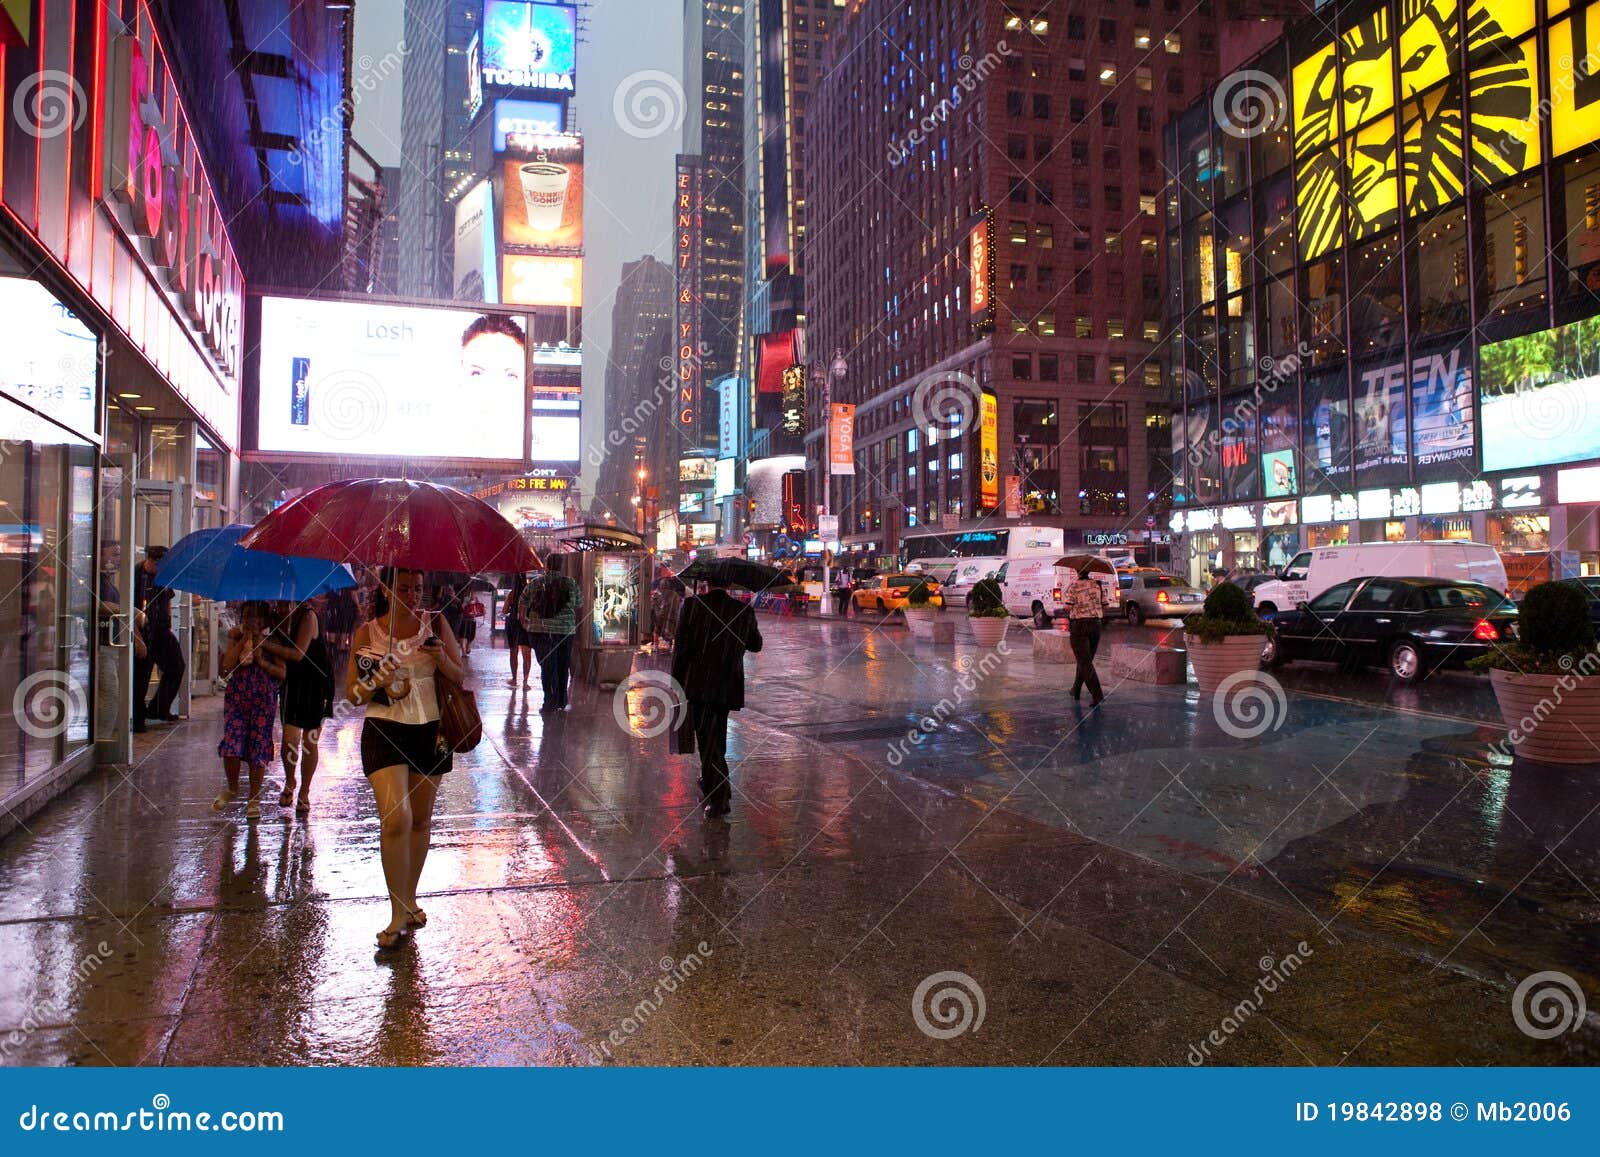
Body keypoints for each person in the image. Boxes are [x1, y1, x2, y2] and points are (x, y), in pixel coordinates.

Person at [347, 567, 465, 950]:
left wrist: (440, 656)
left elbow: (459, 675)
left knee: (421, 819)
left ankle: (410, 899)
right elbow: (353, 693)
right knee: (397, 819)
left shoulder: (436, 624)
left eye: (418, 587)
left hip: (431, 730)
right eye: (405, 588)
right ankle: (397, 912)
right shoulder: (368, 632)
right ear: (386, 588)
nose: (413, 595)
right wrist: (376, 680)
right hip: (384, 729)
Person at [671, 577, 764, 818]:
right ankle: (713, 784)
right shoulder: (742, 610)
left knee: (708, 742)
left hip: (699, 685)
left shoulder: (692, 607)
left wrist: (676, 684)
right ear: (729, 584)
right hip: (727, 686)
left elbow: (680, 649)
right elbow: (756, 645)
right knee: (716, 738)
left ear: (706, 584)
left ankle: (719, 797)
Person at [215, 601, 287, 820]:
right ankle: (233, 787)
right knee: (232, 744)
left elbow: (282, 674)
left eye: (256, 618)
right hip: (237, 699)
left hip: (263, 700)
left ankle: (254, 799)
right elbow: (225, 667)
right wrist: (242, 641)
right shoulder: (235, 638)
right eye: (247, 617)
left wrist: (261, 658)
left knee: (258, 746)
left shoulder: (271, 641)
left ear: (264, 620)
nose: (251, 622)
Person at [264, 598, 334, 815]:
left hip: (316, 683)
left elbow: (297, 653)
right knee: (289, 739)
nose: (283, 606)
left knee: (309, 742)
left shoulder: (308, 616)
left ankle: (304, 791)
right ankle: (290, 780)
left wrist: (264, 643)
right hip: (292, 683)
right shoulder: (278, 617)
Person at [519, 554, 583, 712]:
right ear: (561, 566)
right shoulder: (570, 583)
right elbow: (579, 603)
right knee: (563, 665)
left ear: (546, 565)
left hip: (541, 631)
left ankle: (549, 701)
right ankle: (561, 700)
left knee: (548, 666)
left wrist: (524, 621)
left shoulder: (536, 583)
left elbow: (523, 602)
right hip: (565, 631)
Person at [133, 545, 186, 731]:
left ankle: (158, 709)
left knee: (177, 666)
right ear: (151, 560)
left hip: (162, 631)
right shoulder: (136, 576)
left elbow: (168, 600)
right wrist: (137, 635)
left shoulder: (164, 576)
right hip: (144, 632)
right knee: (141, 677)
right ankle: (138, 719)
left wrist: (168, 622)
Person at [1066, 565, 1107, 706]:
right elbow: (1105, 604)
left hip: (1079, 626)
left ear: (1077, 571)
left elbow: (1067, 605)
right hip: (1096, 625)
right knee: (1086, 660)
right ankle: (1076, 689)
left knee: (1084, 662)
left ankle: (1097, 695)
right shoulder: (1098, 585)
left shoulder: (1074, 586)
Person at [504, 571, 533, 688]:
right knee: (527, 653)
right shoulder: (530, 593)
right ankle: (525, 682)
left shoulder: (512, 594)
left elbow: (505, 610)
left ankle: (514, 679)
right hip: (526, 624)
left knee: (513, 652)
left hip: (513, 625)